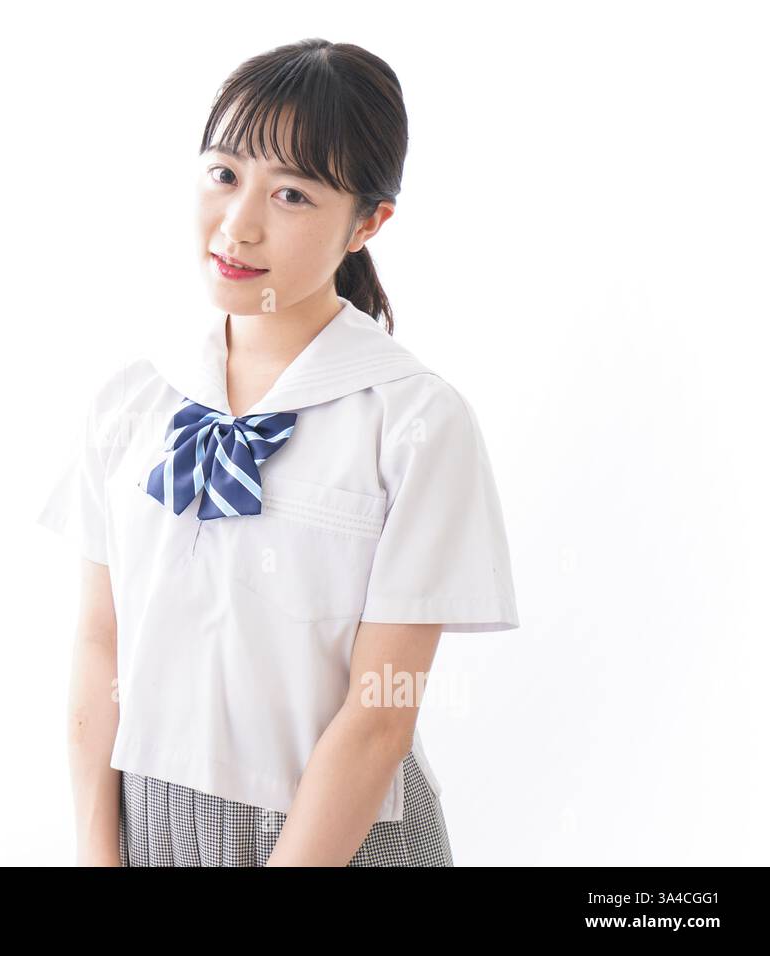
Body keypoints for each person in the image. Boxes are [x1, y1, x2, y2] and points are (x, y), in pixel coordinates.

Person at [36, 38, 519, 866]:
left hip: (336, 838)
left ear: (369, 222)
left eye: (291, 193)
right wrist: (97, 851)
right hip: (146, 829)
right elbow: (98, 645)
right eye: (224, 174)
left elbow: (379, 715)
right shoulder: (134, 400)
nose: (238, 223)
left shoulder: (414, 425)